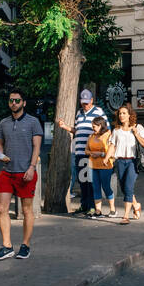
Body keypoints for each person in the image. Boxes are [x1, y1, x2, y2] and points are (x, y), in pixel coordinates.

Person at [0, 88, 43, 259]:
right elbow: (1, 145)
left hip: (25, 172)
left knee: (27, 210)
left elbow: (36, 147)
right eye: (11, 100)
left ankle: (25, 245)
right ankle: (7, 246)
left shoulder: (33, 122)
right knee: (1, 208)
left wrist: (32, 167)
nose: (13, 103)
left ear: (24, 103)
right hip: (7, 172)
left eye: (17, 100)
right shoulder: (4, 123)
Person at [57, 88, 105, 218]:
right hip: (79, 151)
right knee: (82, 180)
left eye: (87, 102)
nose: (85, 105)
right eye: (83, 102)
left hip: (91, 152)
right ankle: (84, 205)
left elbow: (105, 130)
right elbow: (76, 130)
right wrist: (65, 127)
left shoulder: (98, 112)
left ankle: (92, 207)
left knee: (91, 180)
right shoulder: (79, 113)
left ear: (91, 100)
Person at [107, 104, 144, 222]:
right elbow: (112, 145)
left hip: (132, 161)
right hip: (120, 161)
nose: (121, 115)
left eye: (124, 113)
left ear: (130, 115)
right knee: (124, 188)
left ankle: (125, 216)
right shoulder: (116, 130)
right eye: (120, 113)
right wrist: (106, 158)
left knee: (129, 187)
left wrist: (136, 133)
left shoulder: (138, 127)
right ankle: (136, 205)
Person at [86, 115, 116, 217]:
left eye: (94, 126)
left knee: (106, 186)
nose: (92, 128)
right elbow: (86, 150)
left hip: (105, 165)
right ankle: (98, 211)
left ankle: (112, 209)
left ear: (100, 126)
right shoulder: (91, 136)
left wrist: (101, 154)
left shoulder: (108, 135)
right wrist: (91, 153)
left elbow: (112, 152)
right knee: (96, 187)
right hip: (93, 165)